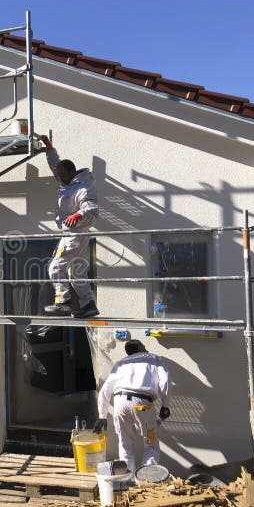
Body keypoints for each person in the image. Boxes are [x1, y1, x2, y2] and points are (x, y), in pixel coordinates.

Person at [38, 134, 99, 318]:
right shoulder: (68, 182)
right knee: (77, 272)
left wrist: (78, 214)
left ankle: (62, 301)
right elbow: (55, 164)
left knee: (55, 267)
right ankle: (88, 304)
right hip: (78, 235)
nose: (59, 176)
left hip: (73, 234)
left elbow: (92, 207)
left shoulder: (83, 188)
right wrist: (49, 148)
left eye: (62, 174)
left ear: (71, 172)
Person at [93, 339, 171, 473]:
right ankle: (147, 479)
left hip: (120, 404)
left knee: (125, 445)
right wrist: (165, 405)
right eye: (144, 346)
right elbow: (165, 381)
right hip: (142, 404)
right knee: (151, 444)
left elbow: (105, 389)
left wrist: (102, 415)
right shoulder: (154, 359)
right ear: (140, 347)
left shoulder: (121, 363)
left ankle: (127, 481)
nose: (146, 349)